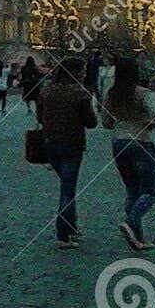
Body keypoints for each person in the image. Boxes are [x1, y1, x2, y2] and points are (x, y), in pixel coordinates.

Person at [37, 59, 97, 249]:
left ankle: (71, 225)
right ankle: (63, 233)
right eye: (83, 70)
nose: (84, 74)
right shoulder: (80, 93)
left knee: (66, 185)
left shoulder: (46, 91)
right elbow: (90, 122)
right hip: (72, 144)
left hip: (50, 143)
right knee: (68, 189)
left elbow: (39, 117)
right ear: (75, 72)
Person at [102, 58, 155, 251]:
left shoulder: (110, 94)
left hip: (118, 142)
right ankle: (131, 221)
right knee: (150, 191)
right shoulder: (142, 94)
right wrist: (147, 122)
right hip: (140, 142)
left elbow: (106, 122)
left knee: (132, 189)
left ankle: (137, 238)